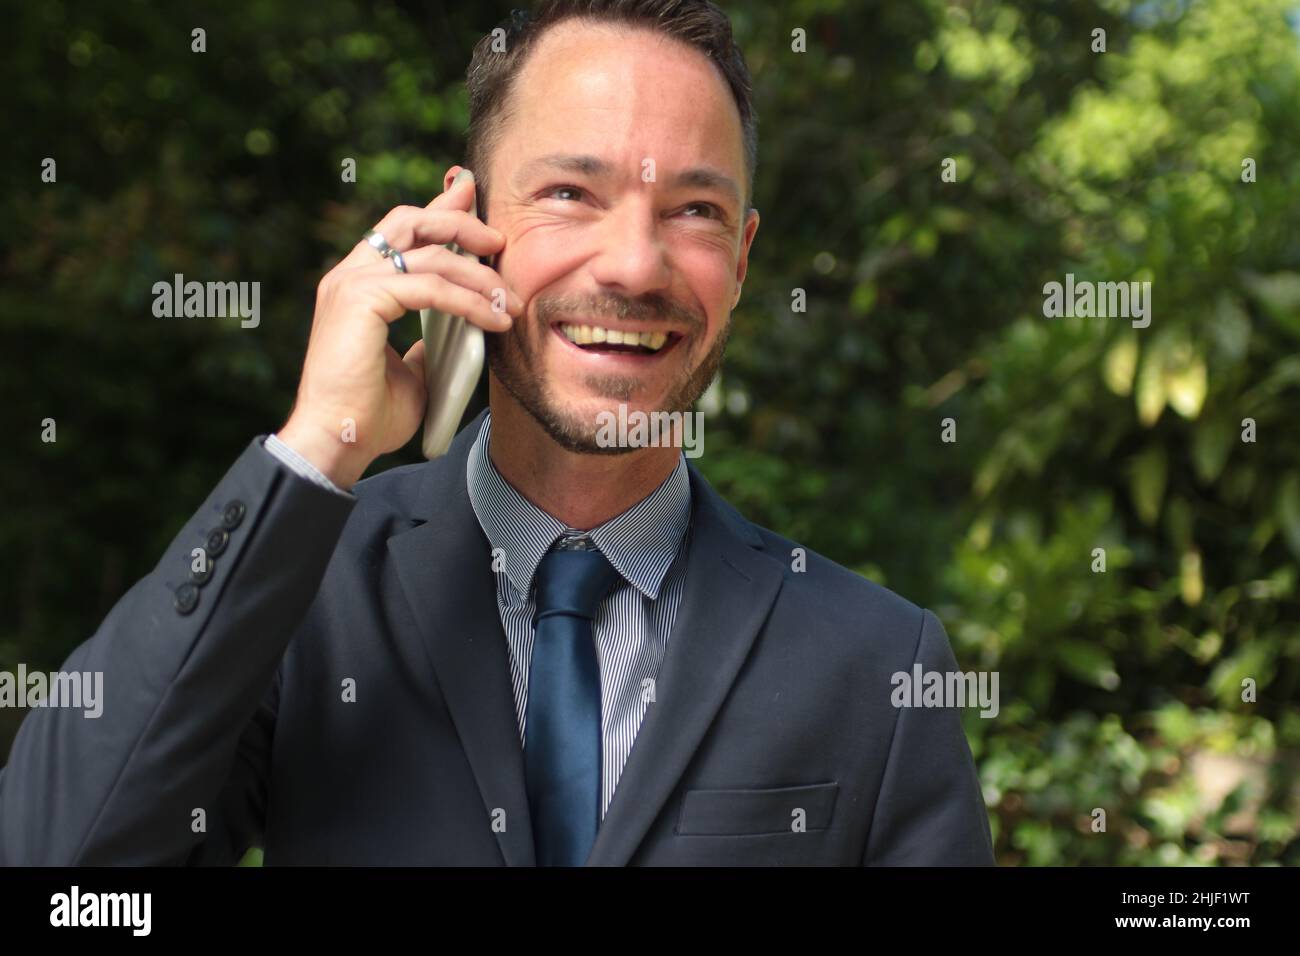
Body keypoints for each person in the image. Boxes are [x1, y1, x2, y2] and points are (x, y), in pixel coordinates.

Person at [0, 0, 994, 866]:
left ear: (739, 259)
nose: (634, 264)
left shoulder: (876, 660)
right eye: (570, 193)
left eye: (694, 209)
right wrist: (318, 445)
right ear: (464, 221)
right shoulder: (303, 591)